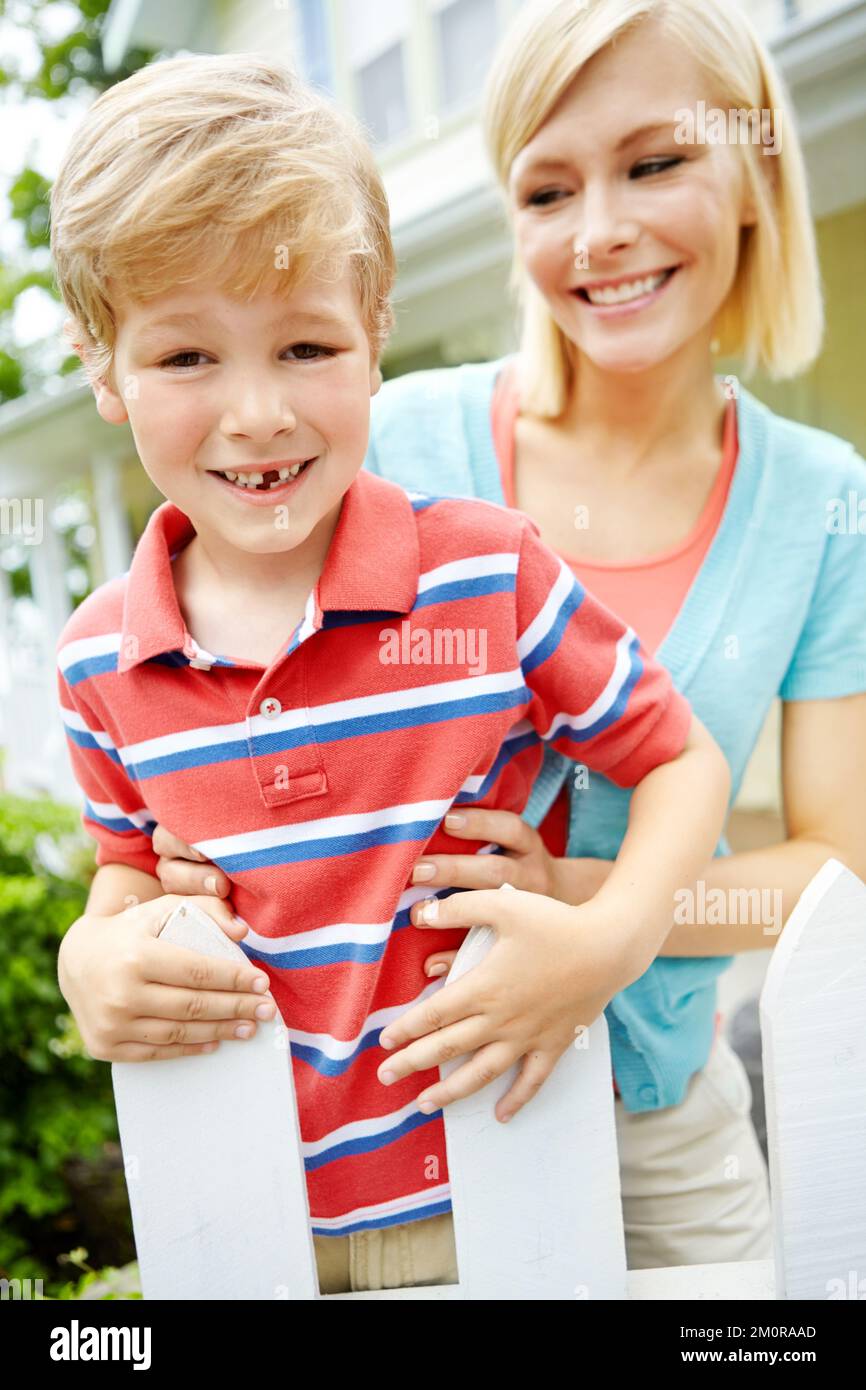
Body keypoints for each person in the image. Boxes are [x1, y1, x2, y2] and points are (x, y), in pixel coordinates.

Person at [153, 0, 866, 1275]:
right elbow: (195, 742)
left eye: (656, 162)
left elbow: (834, 874)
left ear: (754, 173)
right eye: (545, 189)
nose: (600, 231)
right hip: (406, 1131)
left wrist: (588, 915)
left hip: (663, 1123)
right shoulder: (397, 436)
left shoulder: (821, 500)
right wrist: (106, 936)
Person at [50, 51, 731, 1296]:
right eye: (187, 358)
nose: (256, 413)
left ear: (374, 339)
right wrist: (87, 960)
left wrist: (609, 942)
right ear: (103, 368)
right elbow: (127, 869)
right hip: (248, 1218)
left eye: (304, 345)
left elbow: (680, 761)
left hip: (504, 1195)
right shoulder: (100, 657)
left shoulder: (485, 574)